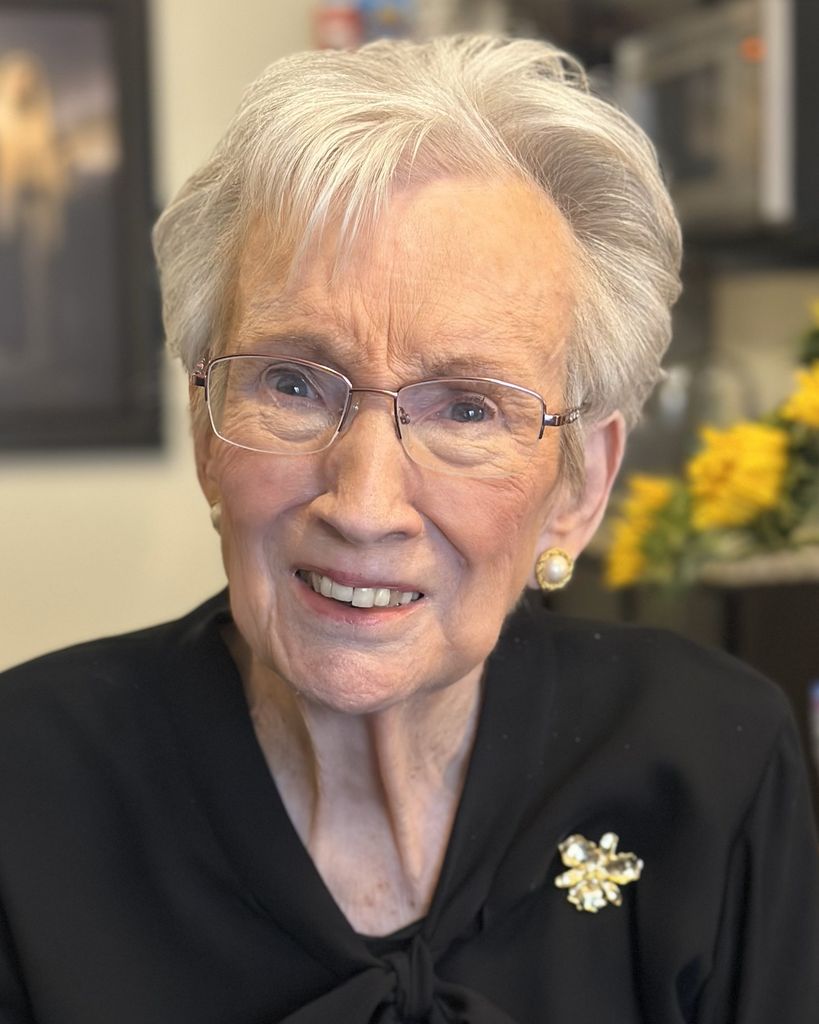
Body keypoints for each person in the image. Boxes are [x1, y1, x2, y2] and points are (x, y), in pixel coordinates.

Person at [0, 35, 817, 1024]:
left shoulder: (711, 761)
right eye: (292, 383)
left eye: (467, 408)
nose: (364, 504)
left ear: (581, 483)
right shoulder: (25, 785)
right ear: (206, 428)